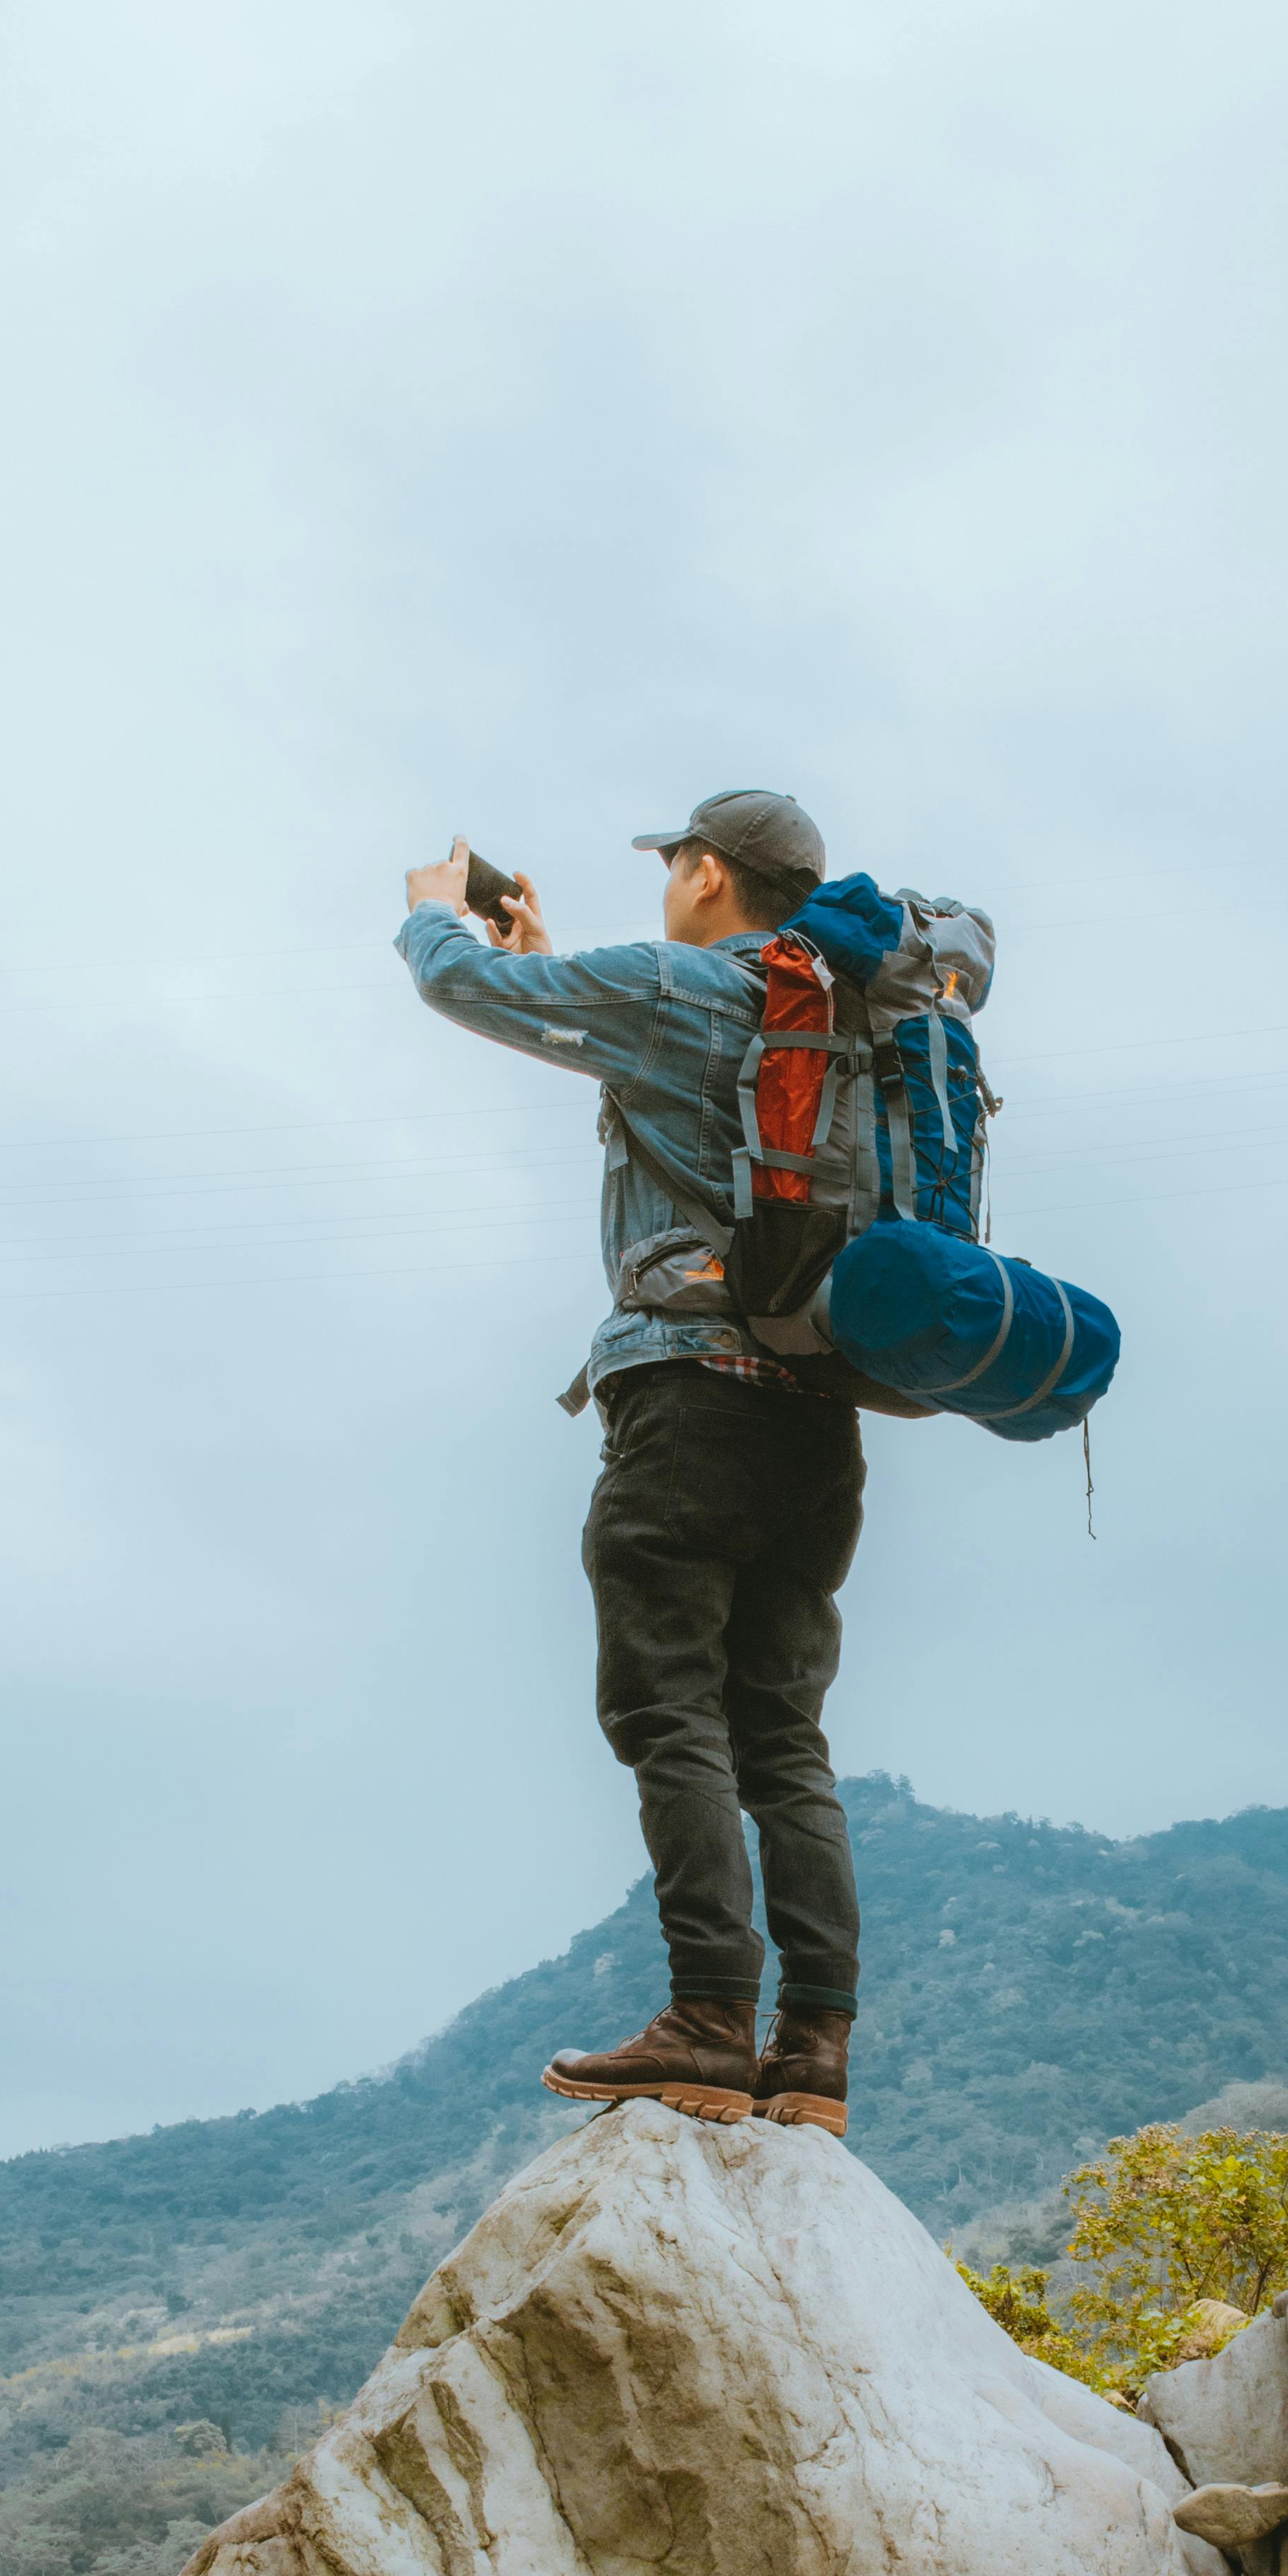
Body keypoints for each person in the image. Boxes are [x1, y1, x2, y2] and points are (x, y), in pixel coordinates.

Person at [394, 784, 867, 2134]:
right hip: (818, 1416)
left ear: (708, 873)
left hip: (686, 1401)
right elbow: (661, 1077)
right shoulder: (841, 1017)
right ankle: (811, 2053)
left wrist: (438, 920)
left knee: (669, 1711)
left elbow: (463, 992)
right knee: (784, 1736)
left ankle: (711, 2017)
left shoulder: (681, 987)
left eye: (674, 864)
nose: (669, 884)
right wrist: (549, 967)